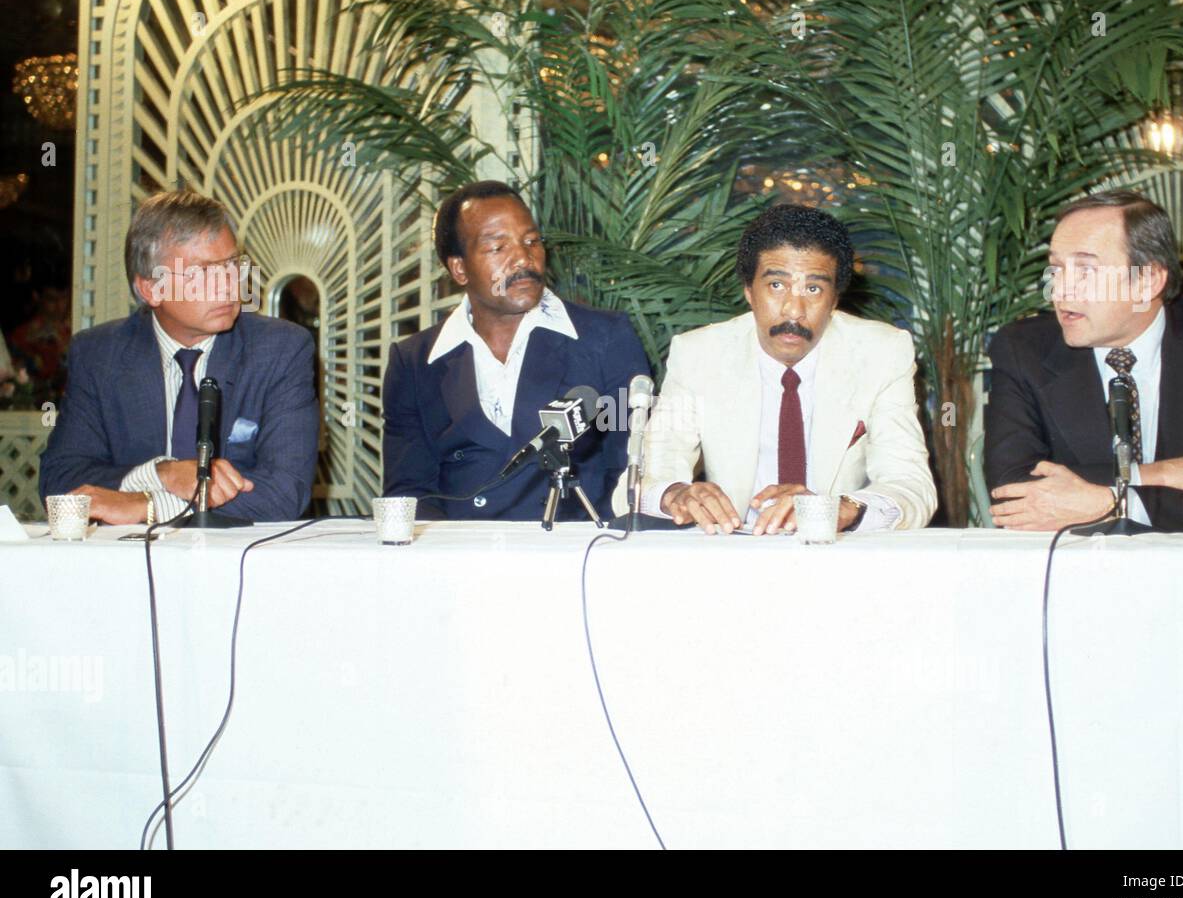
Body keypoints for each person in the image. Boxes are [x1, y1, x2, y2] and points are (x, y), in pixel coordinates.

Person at [615, 203, 937, 534]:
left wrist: (842, 508)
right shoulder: (698, 355)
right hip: (733, 553)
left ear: (835, 299)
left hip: (833, 551)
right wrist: (675, 494)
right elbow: (638, 482)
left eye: (813, 289)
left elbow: (912, 485)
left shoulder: (881, 353)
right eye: (776, 286)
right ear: (748, 292)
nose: (793, 310)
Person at [985, 190, 1183, 533]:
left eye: (1085, 271)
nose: (1060, 291)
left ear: (1147, 280)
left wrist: (1105, 501)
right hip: (1076, 570)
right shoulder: (1023, 349)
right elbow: (1013, 497)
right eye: (1055, 270)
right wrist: (1166, 474)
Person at [39, 191, 319, 524]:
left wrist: (149, 506)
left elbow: (287, 493)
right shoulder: (100, 355)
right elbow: (60, 483)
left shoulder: (280, 350)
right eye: (201, 273)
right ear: (150, 289)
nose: (229, 285)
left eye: (232, 266)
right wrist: (162, 474)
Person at [382, 180, 651, 520]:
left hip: (575, 556)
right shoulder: (416, 361)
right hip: (459, 558)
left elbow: (631, 471)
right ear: (459, 268)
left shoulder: (604, 339)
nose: (524, 258)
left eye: (531, 241)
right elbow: (410, 494)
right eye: (498, 247)